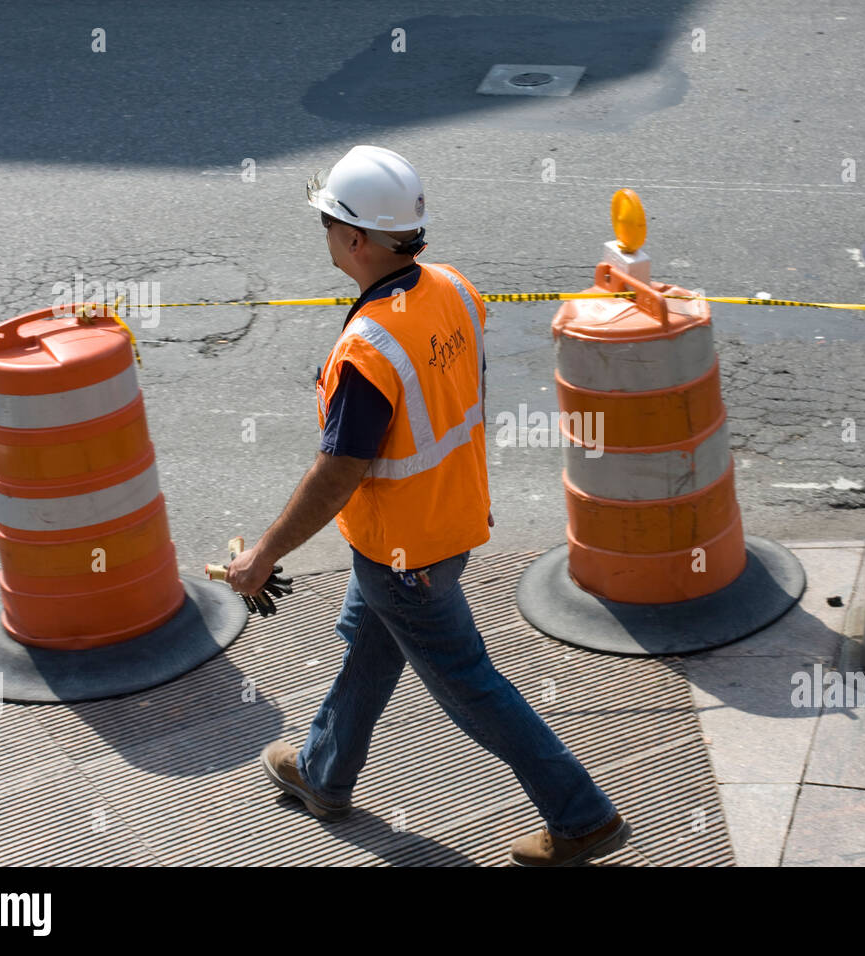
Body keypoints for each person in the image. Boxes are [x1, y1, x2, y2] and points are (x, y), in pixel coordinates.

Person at [226, 144, 629, 866]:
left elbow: (338, 473)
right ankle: (324, 773)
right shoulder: (452, 289)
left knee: (469, 684)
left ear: (354, 238)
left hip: (402, 554)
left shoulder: (368, 350)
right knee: (369, 647)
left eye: (326, 223)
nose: (323, 235)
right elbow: (460, 406)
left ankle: (583, 816)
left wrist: (263, 556)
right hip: (447, 527)